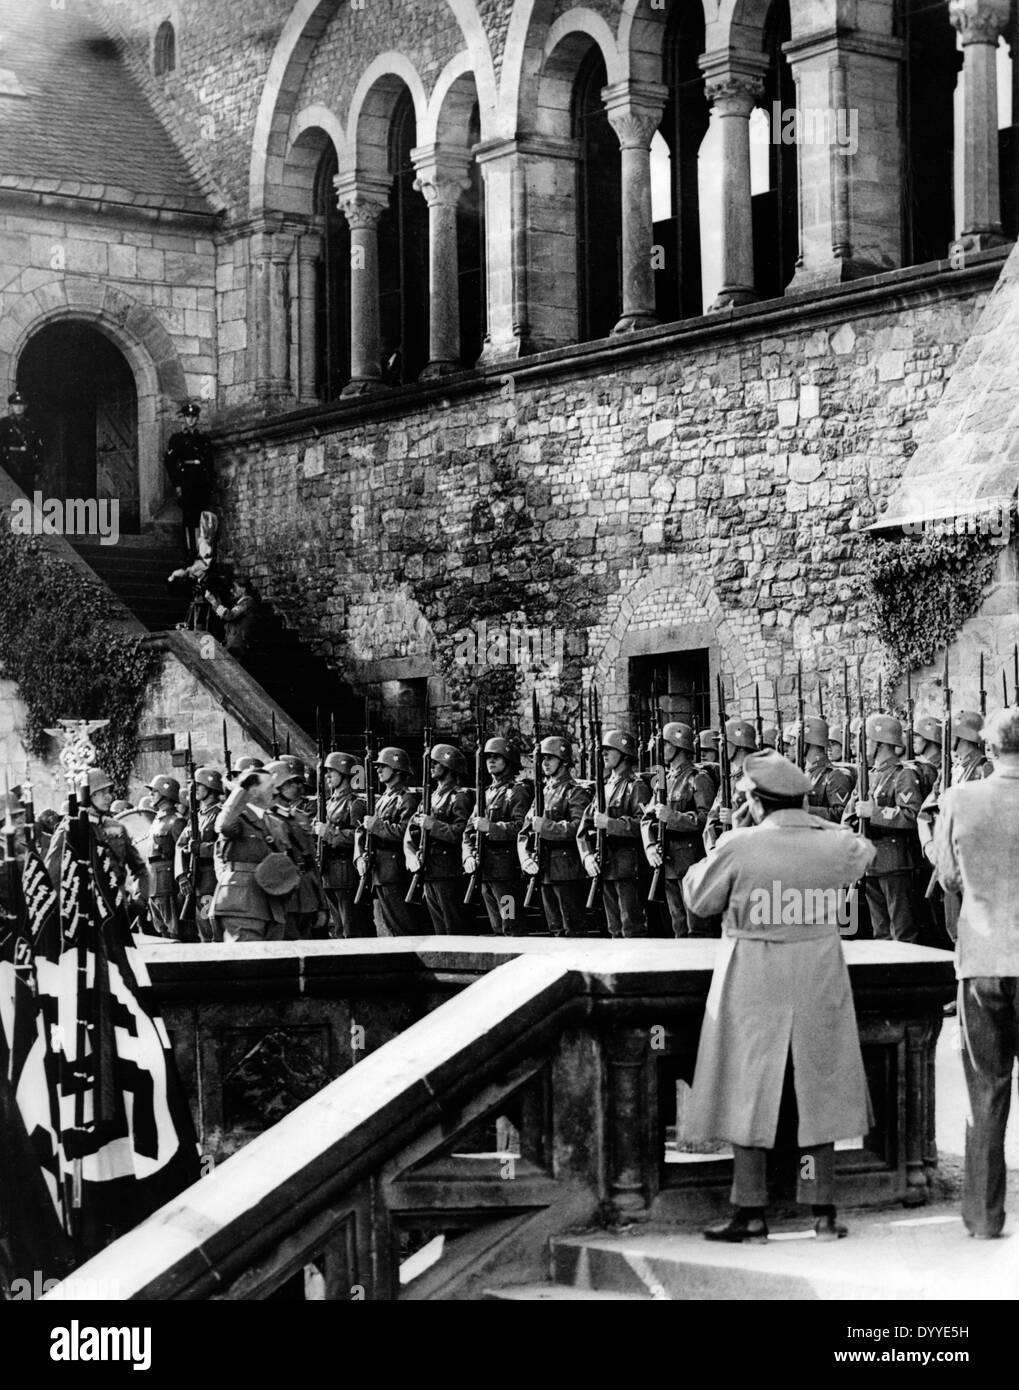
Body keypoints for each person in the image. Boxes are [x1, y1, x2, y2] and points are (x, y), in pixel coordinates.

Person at [682, 749, 875, 1243]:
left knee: (750, 1093)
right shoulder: (834, 846)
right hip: (817, 976)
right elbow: (862, 851)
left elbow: (699, 899)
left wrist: (738, 832)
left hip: (755, 979)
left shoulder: (739, 845)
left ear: (754, 800)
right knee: (819, 1092)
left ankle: (751, 1213)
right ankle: (821, 1210)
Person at [933, 706, 1019, 1240]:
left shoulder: (959, 799)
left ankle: (985, 1217)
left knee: (986, 1089)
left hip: (984, 956)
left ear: (988, 749)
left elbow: (945, 874)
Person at [842, 713, 923, 943]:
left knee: (902, 932)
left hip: (894, 862)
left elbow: (912, 815)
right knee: (881, 933)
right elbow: (848, 815)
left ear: (880, 743)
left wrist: (874, 813)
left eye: (866, 740)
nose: (861, 746)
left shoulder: (902, 774)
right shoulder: (867, 776)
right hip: (870, 863)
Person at [210, 767, 300, 943]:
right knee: (246, 962)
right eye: (270, 786)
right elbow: (224, 825)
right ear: (252, 790)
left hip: (273, 904)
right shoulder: (237, 818)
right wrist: (239, 790)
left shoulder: (275, 822)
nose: (276, 791)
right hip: (242, 904)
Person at [642, 722, 715, 938]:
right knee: (679, 928)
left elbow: (705, 819)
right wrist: (650, 846)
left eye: (665, 744)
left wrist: (672, 817)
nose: (661, 749)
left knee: (697, 928)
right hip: (668, 861)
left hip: (691, 862)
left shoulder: (697, 778)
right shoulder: (663, 781)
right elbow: (647, 818)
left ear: (679, 744)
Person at [577, 728, 651, 939]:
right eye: (604, 750)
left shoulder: (635, 786)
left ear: (624, 752)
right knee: (614, 929)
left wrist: (610, 824)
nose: (604, 754)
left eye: (610, 749)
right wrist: (587, 855)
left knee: (631, 928)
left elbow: (642, 825)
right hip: (605, 865)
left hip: (627, 867)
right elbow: (583, 828)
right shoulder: (605, 787)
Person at [45, 768, 150, 908]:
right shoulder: (69, 830)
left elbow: (140, 869)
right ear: (86, 797)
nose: (109, 797)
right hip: (86, 909)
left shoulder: (116, 827)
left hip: (118, 906)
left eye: (109, 792)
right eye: (101, 793)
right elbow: (52, 875)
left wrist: (140, 900)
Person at [520, 736, 592, 939]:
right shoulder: (543, 791)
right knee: (555, 928)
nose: (545, 763)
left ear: (564, 761)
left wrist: (547, 827)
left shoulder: (575, 791)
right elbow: (525, 830)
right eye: (543, 759)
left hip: (567, 870)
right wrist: (525, 857)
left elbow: (579, 828)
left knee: (573, 928)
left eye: (550, 758)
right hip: (544, 870)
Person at [464, 737, 532, 936]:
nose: (491, 761)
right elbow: (468, 830)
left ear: (509, 760)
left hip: (506, 873)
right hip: (486, 871)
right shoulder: (486, 794)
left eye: (496, 757)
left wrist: (491, 828)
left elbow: (522, 827)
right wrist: (467, 855)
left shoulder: (517, 791)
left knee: (511, 924)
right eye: (488, 758)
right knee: (497, 927)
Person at [406, 743, 473, 935]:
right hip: (429, 869)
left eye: (436, 762)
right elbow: (412, 830)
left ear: (449, 765)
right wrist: (412, 854)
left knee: (454, 927)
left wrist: (433, 826)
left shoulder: (459, 797)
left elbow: (461, 832)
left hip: (448, 871)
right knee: (439, 929)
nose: (432, 766)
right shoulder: (432, 796)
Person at [266, 760, 329, 939]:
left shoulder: (300, 817)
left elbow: (312, 864)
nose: (297, 786)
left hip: (307, 894)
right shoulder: (265, 819)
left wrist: (321, 904)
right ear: (276, 786)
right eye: (290, 782)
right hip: (282, 896)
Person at [361, 746, 420, 936]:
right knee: (389, 925)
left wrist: (377, 827)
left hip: (394, 868)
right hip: (380, 868)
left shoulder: (406, 798)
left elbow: (406, 832)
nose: (377, 770)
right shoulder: (385, 797)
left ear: (396, 768)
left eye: (382, 766)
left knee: (402, 924)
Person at [314, 751, 370, 939]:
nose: (327, 776)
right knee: (338, 930)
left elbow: (359, 837)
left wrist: (328, 833)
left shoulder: (354, 804)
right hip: (329, 873)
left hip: (347, 873)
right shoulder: (329, 803)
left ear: (345, 773)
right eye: (326, 772)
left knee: (351, 928)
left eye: (332, 771)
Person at [174, 765, 224, 943]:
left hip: (212, 877)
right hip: (196, 877)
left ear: (210, 788)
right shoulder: (198, 816)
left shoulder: (219, 814)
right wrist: (181, 876)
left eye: (198, 786)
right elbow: (180, 844)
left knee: (211, 921)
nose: (194, 790)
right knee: (201, 923)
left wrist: (201, 848)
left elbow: (225, 847)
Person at [164, 402, 214, 560]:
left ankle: (201, 549)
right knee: (188, 516)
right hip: (186, 481)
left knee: (200, 516)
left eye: (193, 417)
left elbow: (209, 462)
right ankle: (189, 549)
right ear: (184, 419)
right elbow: (170, 463)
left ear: (197, 418)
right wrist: (177, 484)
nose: (190, 420)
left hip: (201, 482)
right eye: (188, 417)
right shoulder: (177, 439)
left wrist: (210, 481)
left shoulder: (203, 439)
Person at [703, 718, 758, 850]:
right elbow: (712, 819)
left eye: (724, 742)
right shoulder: (729, 779)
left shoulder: (757, 778)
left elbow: (768, 822)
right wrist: (713, 849)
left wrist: (736, 819)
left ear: (738, 745)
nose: (720, 747)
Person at [145, 774, 186, 941]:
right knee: (160, 927)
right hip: (153, 879)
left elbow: (182, 852)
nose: (151, 794)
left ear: (165, 792)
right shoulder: (158, 819)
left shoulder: (176, 821)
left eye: (154, 791)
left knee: (173, 928)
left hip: (167, 880)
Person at [167, 510, 219, 631]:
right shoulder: (202, 552)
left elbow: (205, 563)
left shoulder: (205, 547)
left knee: (199, 621)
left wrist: (182, 573)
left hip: (204, 591)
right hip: (200, 589)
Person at [206, 578, 259, 664]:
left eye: (234, 587)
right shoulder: (241, 603)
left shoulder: (247, 601)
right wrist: (215, 603)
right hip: (234, 642)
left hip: (238, 644)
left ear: (243, 589)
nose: (231, 590)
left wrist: (214, 603)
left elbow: (230, 616)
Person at [0, 391, 42, 496]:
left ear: (26, 406)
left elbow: (37, 447)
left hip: (28, 467)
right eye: (15, 404)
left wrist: (37, 469)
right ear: (11, 406)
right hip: (10, 466)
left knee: (27, 496)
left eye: (21, 404)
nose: (18, 407)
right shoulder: (4, 423)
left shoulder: (31, 424)